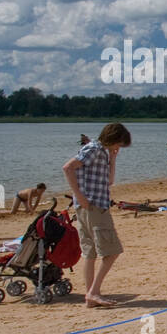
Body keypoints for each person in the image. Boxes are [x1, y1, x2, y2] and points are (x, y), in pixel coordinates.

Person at [62, 123, 132, 308]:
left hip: (92, 206)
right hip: (93, 207)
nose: (119, 148)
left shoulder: (102, 152)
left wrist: (113, 159)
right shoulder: (94, 149)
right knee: (112, 250)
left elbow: (109, 181)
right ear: (113, 138)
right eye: (119, 144)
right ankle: (93, 292)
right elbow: (68, 168)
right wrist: (79, 196)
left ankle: (91, 295)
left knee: (91, 253)